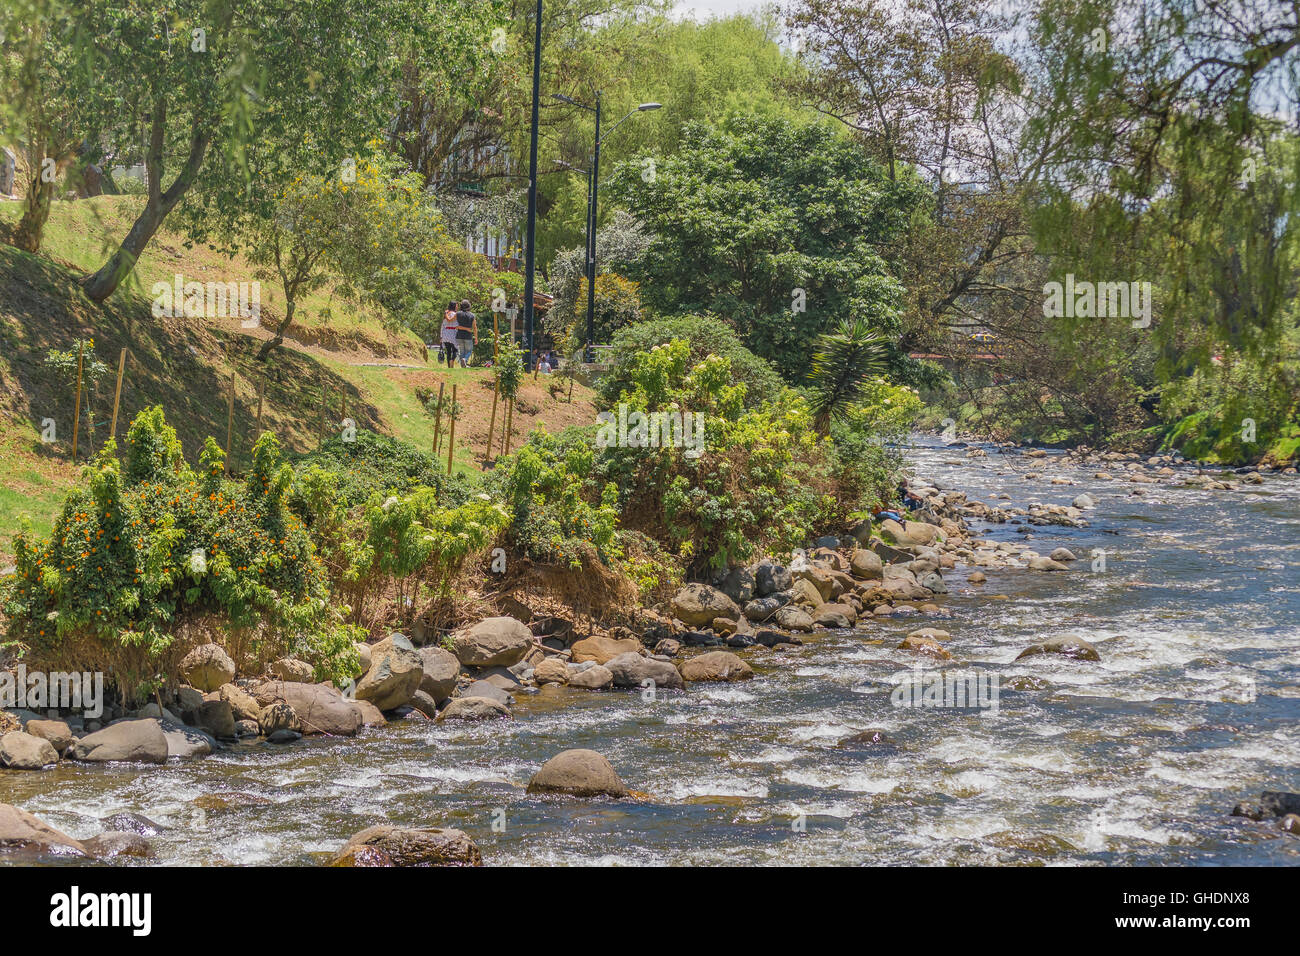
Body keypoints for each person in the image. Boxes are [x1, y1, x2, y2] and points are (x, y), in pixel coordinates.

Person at [453, 299, 476, 368]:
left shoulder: (458, 314)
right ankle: (465, 359)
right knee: (469, 350)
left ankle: (463, 365)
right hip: (468, 336)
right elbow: (474, 327)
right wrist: (476, 338)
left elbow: (453, 323)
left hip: (459, 336)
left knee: (462, 351)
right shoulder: (472, 315)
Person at [440, 301, 459, 367]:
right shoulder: (456, 314)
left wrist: (441, 336)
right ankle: (452, 360)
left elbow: (442, 326)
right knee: (455, 350)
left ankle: (449, 366)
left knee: (448, 351)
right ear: (454, 306)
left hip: (445, 334)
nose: (457, 307)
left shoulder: (446, 314)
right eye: (456, 305)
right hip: (453, 333)